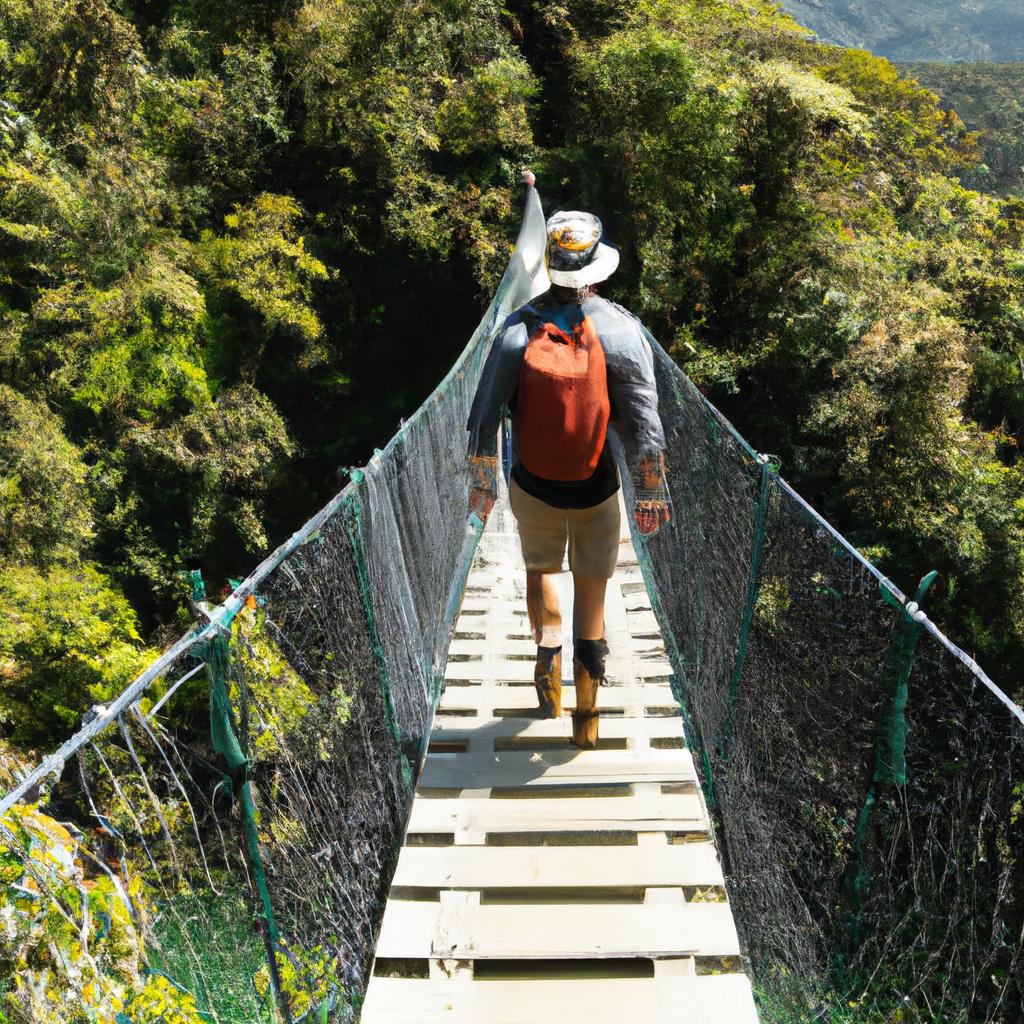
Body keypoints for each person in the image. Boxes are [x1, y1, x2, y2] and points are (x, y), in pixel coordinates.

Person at [465, 170, 670, 748]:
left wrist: (481, 490)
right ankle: (587, 717)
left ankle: (546, 679)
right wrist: (651, 493)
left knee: (542, 572)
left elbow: (483, 418)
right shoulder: (625, 332)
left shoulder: (516, 330)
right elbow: (645, 424)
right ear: (596, 268)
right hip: (598, 486)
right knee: (594, 590)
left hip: (532, 484)